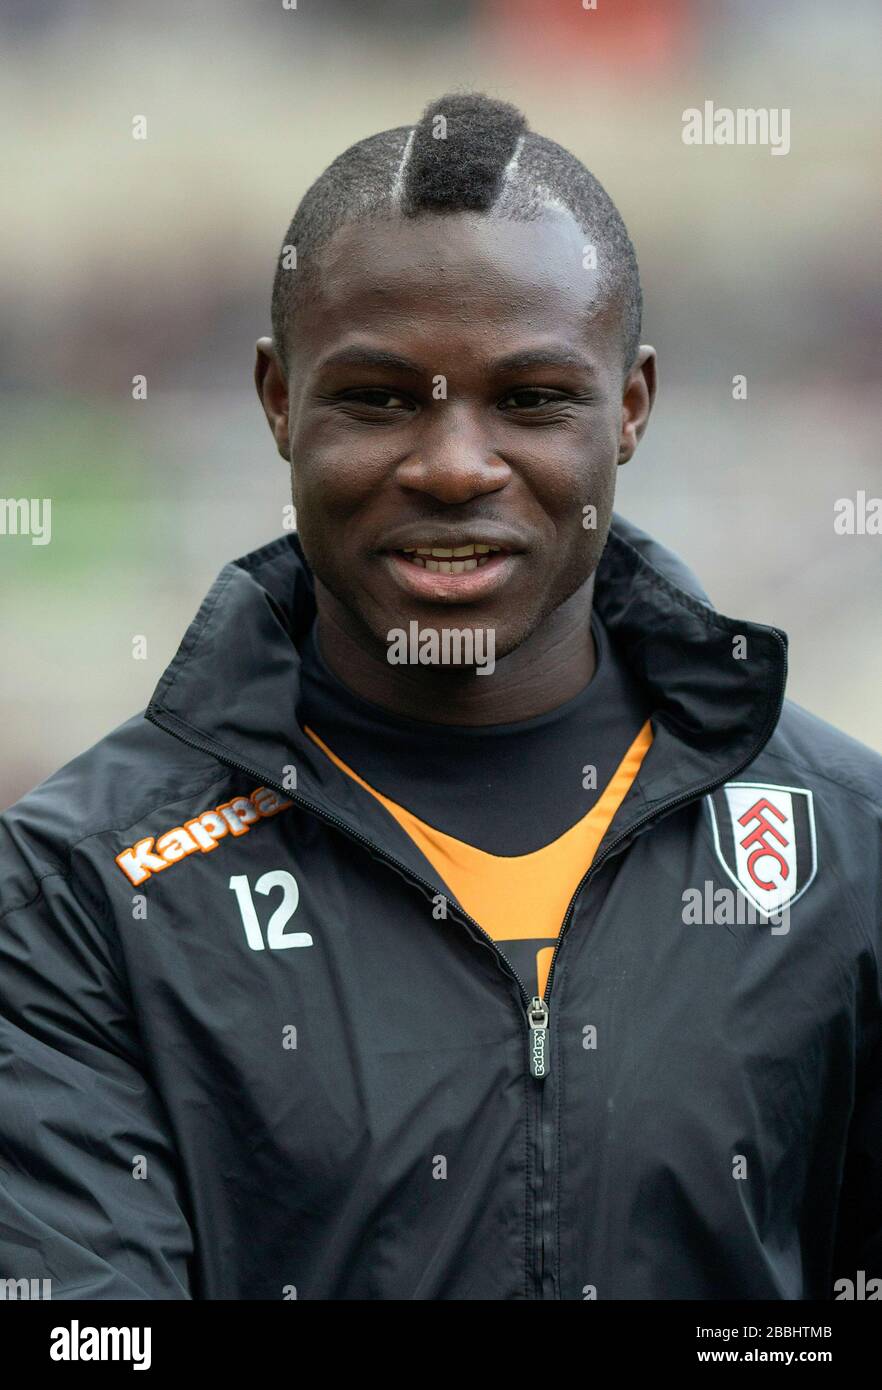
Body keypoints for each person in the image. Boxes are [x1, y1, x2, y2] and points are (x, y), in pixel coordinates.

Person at [1, 92, 879, 1301]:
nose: (454, 464)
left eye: (529, 400)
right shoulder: (79, 887)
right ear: (277, 401)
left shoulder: (847, 848)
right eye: (377, 397)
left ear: (630, 408)